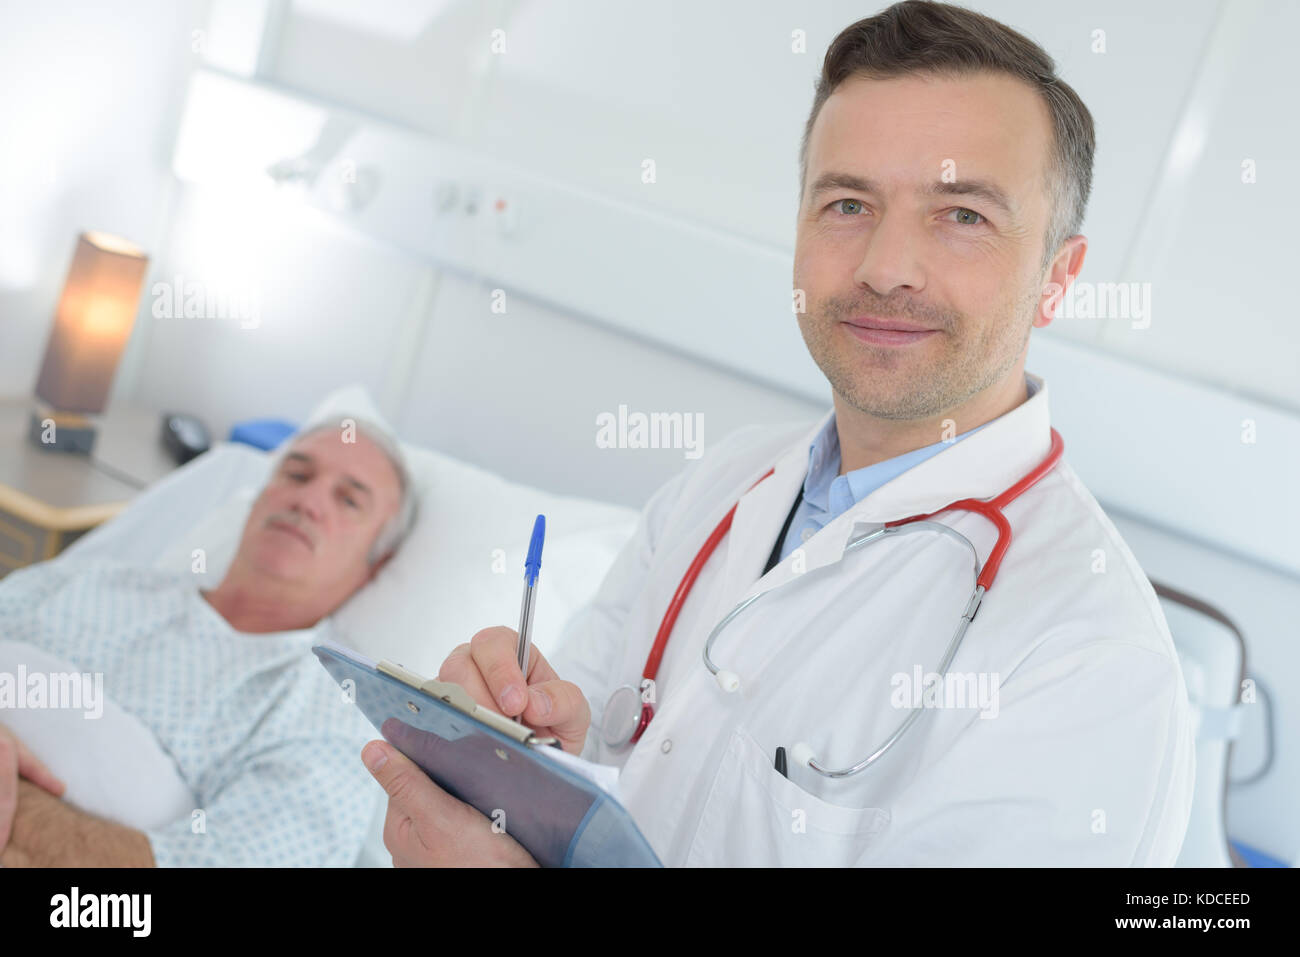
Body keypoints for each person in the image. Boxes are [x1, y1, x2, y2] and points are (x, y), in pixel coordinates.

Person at [363, 0, 1195, 867]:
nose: (885, 267)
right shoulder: (720, 486)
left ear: (1058, 278)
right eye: (846, 203)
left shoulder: (1092, 664)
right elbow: (599, 779)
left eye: (962, 216)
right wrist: (523, 759)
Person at [0, 417, 417, 866]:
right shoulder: (96, 581)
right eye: (296, 475)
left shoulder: (326, 720)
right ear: (260, 494)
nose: (308, 499)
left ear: (378, 563)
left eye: (349, 499)